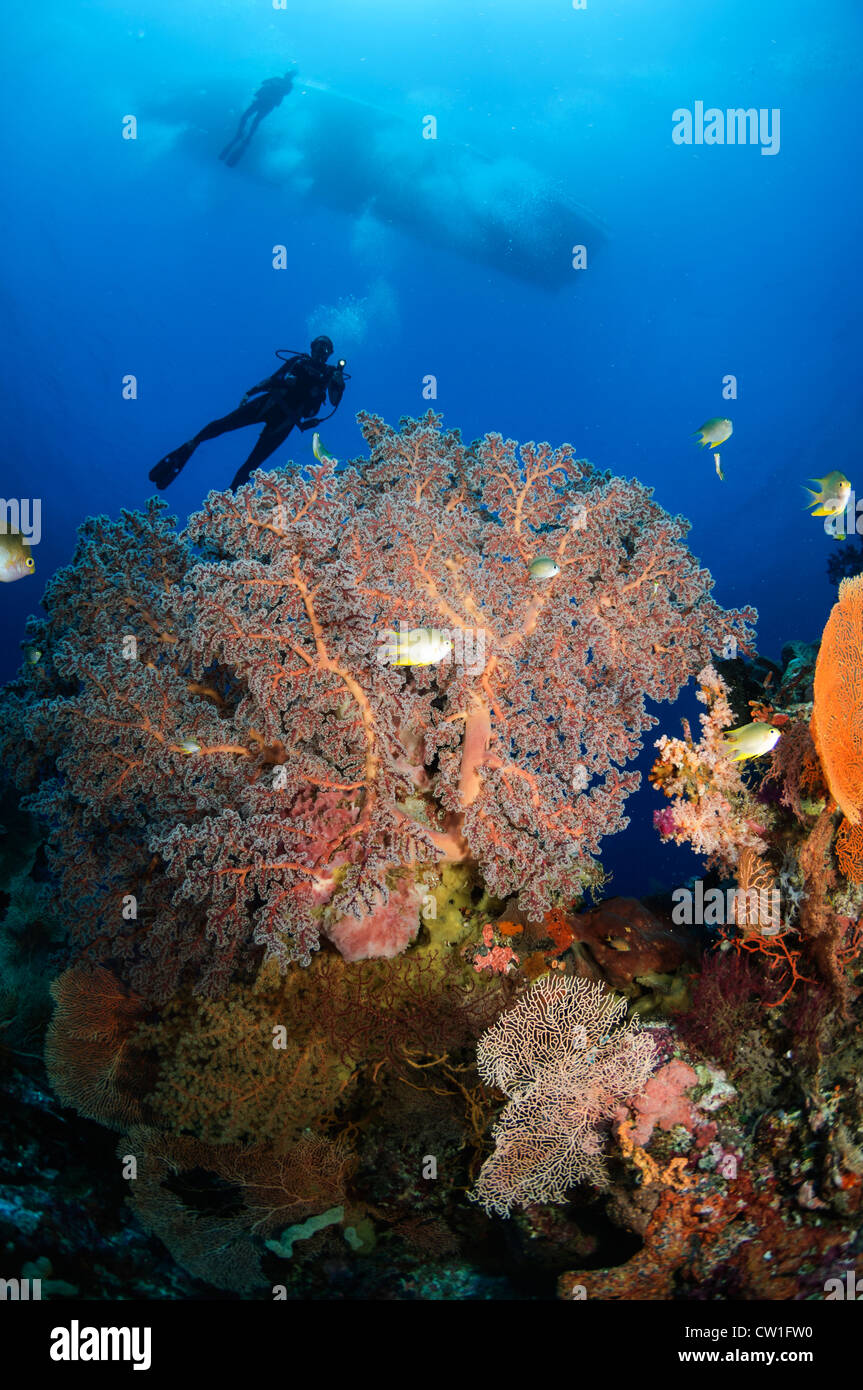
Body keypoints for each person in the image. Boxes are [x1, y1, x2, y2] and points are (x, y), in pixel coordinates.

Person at [149, 337, 347, 491]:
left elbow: (334, 402)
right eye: (319, 346)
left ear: (330, 354)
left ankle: (226, 506)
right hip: (268, 403)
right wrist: (250, 392)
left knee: (251, 465)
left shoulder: (330, 374)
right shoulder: (298, 361)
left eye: (326, 348)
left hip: (287, 420)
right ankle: (185, 450)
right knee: (219, 425)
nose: (321, 351)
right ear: (312, 347)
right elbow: (274, 378)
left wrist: (338, 383)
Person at [219, 70, 296, 167]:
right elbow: (264, 82)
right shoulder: (278, 79)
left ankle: (248, 136)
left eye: (289, 75)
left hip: (268, 104)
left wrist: (274, 85)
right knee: (246, 117)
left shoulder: (288, 84)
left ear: (290, 76)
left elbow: (285, 92)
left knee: (256, 120)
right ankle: (242, 133)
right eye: (287, 74)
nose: (287, 76)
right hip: (261, 101)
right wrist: (274, 84)